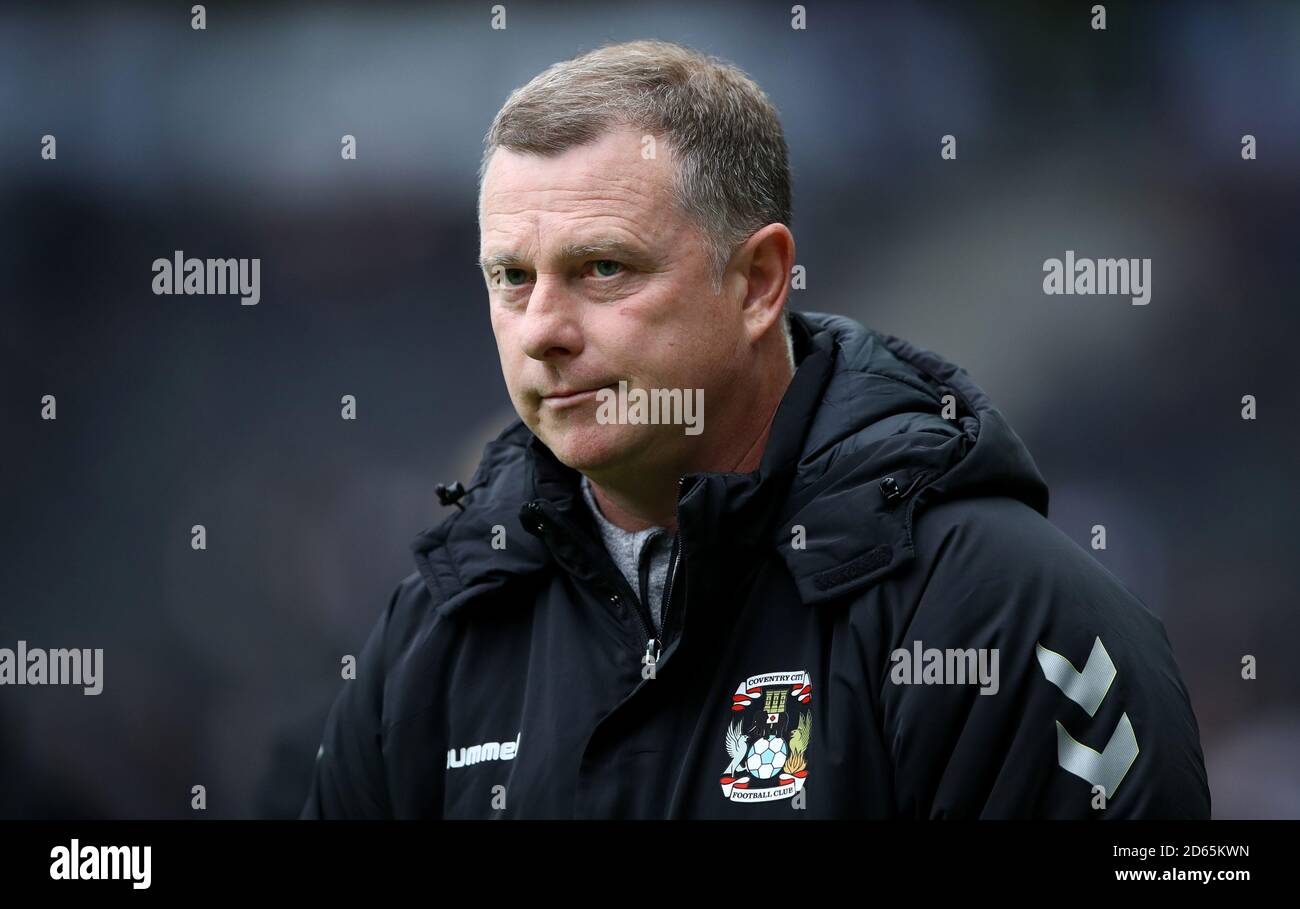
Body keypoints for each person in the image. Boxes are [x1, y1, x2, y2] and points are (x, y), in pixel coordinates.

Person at [301, 39, 1210, 818]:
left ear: (760, 282)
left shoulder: (1006, 618)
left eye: (603, 268)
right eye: (511, 277)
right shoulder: (434, 636)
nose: (542, 328)